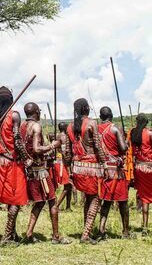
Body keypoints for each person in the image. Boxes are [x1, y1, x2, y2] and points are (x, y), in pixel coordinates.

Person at [19, 102, 70, 244]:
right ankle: (56, 236)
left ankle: (29, 233)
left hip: (30, 170)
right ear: (36, 111)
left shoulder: (23, 126)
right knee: (52, 201)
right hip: (39, 171)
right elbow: (36, 148)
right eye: (39, 110)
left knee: (39, 203)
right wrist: (52, 145)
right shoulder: (36, 126)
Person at [0, 86, 29, 246]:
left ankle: (13, 233)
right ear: (11, 100)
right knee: (16, 200)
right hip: (13, 163)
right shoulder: (14, 115)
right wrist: (27, 159)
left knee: (10, 198)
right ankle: (6, 236)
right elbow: (17, 140)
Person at [66, 98, 107, 243]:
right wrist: (105, 164)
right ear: (85, 109)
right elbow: (97, 145)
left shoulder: (70, 126)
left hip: (77, 167)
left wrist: (68, 168)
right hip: (92, 168)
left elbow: (67, 151)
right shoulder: (91, 123)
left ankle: (87, 230)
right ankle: (85, 235)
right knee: (95, 199)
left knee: (88, 199)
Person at [97, 106, 130, 239]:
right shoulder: (115, 128)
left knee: (107, 201)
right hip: (116, 171)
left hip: (103, 170)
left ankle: (101, 229)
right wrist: (126, 141)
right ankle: (126, 232)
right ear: (111, 115)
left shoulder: (96, 129)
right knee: (123, 201)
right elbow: (123, 149)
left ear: (101, 117)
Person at [131, 113, 152, 235]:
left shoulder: (134, 134)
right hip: (149, 169)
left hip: (138, 168)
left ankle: (144, 227)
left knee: (144, 198)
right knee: (147, 197)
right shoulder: (149, 134)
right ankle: (144, 227)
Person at [54, 122, 73, 211]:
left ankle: (68, 207)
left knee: (69, 185)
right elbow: (65, 152)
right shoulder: (63, 137)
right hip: (63, 163)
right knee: (68, 185)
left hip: (59, 162)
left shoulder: (58, 135)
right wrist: (68, 166)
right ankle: (56, 206)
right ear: (65, 128)